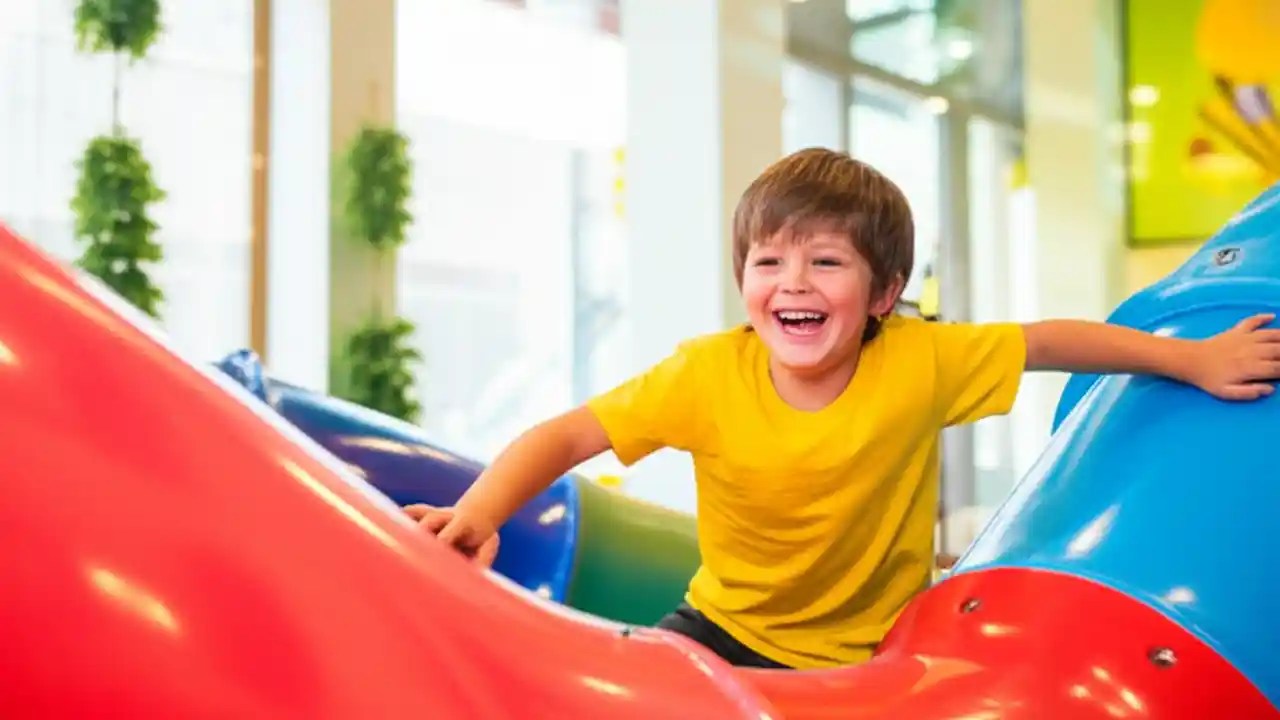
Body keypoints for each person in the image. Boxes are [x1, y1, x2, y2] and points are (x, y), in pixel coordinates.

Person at [406, 148, 1280, 670]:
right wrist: (478, 512)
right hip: (724, 626)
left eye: (825, 264)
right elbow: (569, 433)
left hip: (878, 647)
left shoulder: (921, 358)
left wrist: (1188, 357)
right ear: (743, 281)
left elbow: (1053, 342)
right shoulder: (707, 375)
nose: (792, 283)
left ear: (884, 294)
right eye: (768, 263)